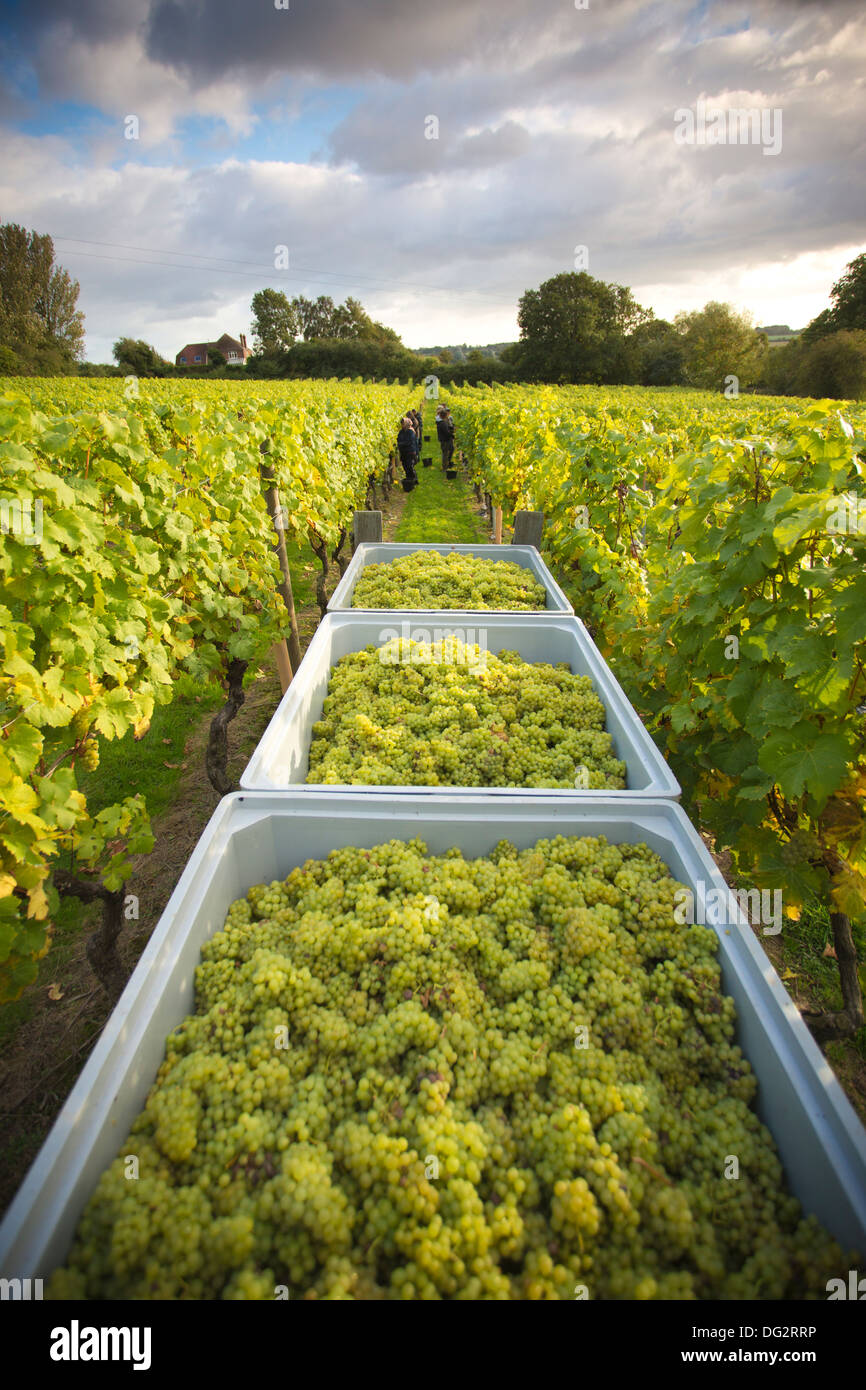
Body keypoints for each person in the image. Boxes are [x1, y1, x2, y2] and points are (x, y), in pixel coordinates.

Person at [397, 416, 418, 488]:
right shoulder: (401, 431)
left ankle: (413, 480)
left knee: (409, 466)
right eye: (401, 424)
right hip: (403, 452)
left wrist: (401, 444)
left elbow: (409, 442)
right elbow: (398, 439)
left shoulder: (410, 431)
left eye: (403, 423)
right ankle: (409, 479)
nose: (402, 425)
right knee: (405, 466)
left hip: (410, 452)